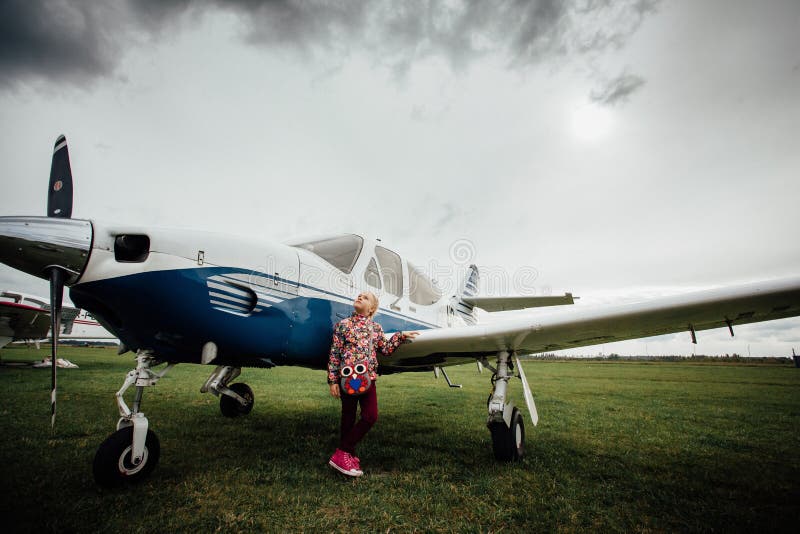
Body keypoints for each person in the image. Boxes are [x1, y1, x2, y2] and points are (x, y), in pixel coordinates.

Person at [327, 291, 418, 476]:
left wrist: (400, 336)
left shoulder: (375, 328)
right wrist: (332, 380)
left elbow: (385, 348)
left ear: (371, 309)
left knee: (370, 416)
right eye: (359, 296)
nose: (360, 297)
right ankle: (348, 457)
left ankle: (342, 452)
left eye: (365, 298)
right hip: (348, 379)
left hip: (368, 379)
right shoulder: (342, 326)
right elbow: (335, 353)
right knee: (348, 418)